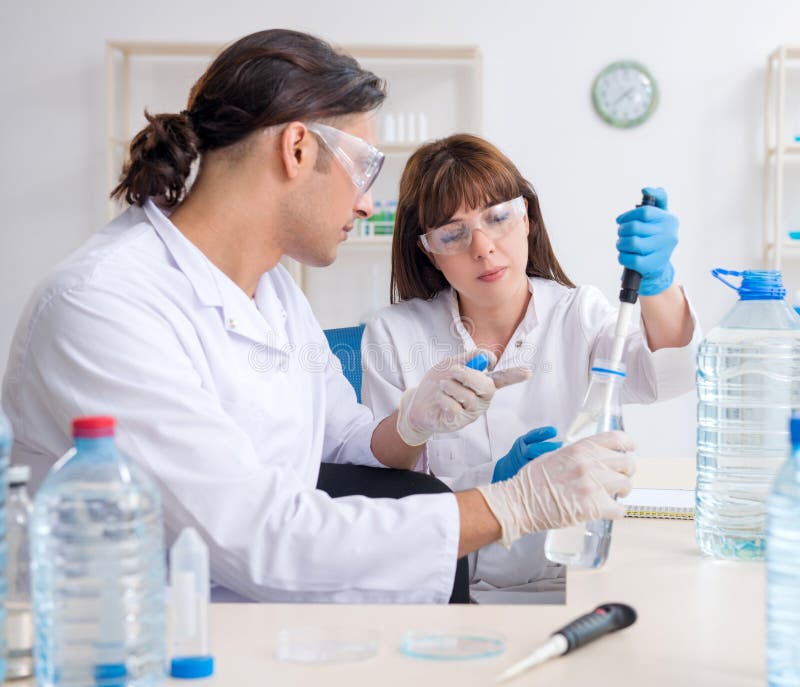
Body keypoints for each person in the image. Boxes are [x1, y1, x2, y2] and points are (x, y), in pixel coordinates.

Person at [2, 31, 635, 604]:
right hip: (134, 641)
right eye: (365, 168)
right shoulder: (104, 307)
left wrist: (415, 420)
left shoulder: (274, 291)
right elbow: (261, 541)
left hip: (261, 620)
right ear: (297, 149)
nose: (367, 205)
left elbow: (345, 441)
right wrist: (512, 505)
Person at [361, 134, 699, 599]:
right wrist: (491, 484)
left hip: (567, 576)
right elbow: (388, 491)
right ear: (429, 252)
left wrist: (659, 282)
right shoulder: (395, 334)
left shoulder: (578, 313)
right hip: (445, 584)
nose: (482, 247)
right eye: (453, 233)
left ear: (527, 220)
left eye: (497, 217)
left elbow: (666, 378)